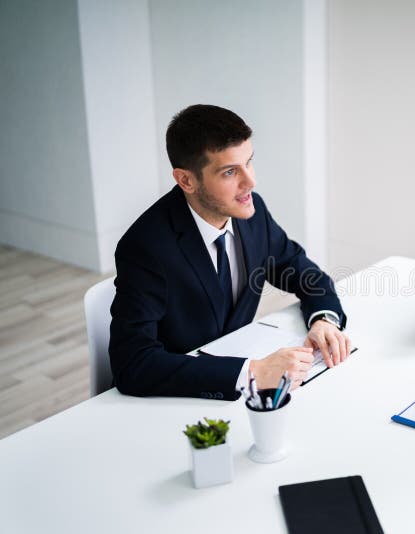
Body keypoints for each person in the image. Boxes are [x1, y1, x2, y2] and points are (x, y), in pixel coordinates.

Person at [109, 104, 351, 400]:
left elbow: (303, 272)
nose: (250, 181)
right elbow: (133, 364)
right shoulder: (145, 247)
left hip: (244, 398)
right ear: (186, 180)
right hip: (179, 401)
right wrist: (253, 373)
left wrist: (324, 319)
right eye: (229, 172)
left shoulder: (252, 212)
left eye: (249, 162)